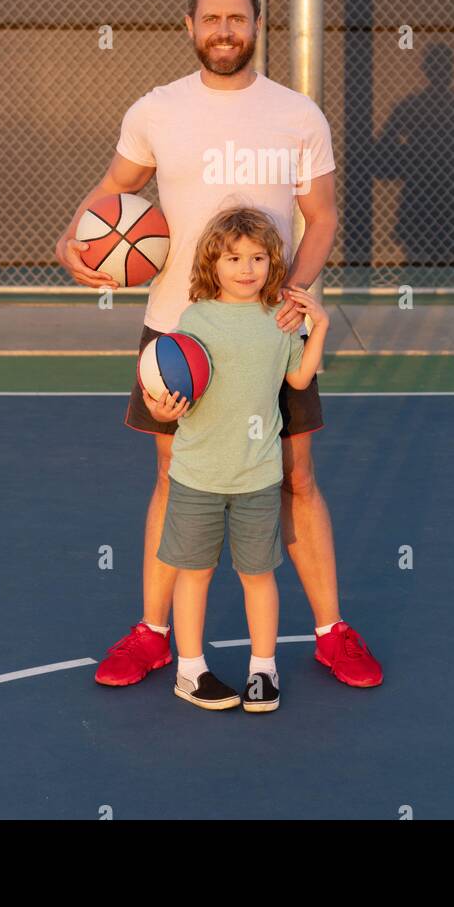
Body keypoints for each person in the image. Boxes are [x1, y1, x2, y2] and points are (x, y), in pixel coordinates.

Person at [55, 0, 382, 688]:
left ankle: (331, 631)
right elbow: (115, 189)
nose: (225, 31)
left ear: (257, 25)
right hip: (179, 335)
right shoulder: (156, 110)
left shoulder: (298, 114)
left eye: (238, 18)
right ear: (190, 27)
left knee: (297, 477)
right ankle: (152, 632)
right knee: (176, 479)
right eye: (212, 19)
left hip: (274, 331)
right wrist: (68, 236)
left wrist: (292, 294)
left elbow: (322, 216)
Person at [142, 206, 327, 712]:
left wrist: (321, 325)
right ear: (212, 263)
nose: (246, 268)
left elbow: (299, 380)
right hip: (197, 474)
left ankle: (262, 670)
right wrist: (160, 405)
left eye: (258, 258)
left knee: (258, 576)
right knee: (194, 573)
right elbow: (171, 383)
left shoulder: (280, 320)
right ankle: (189, 670)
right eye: (233, 258)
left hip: (257, 476)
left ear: (273, 263)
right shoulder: (195, 318)